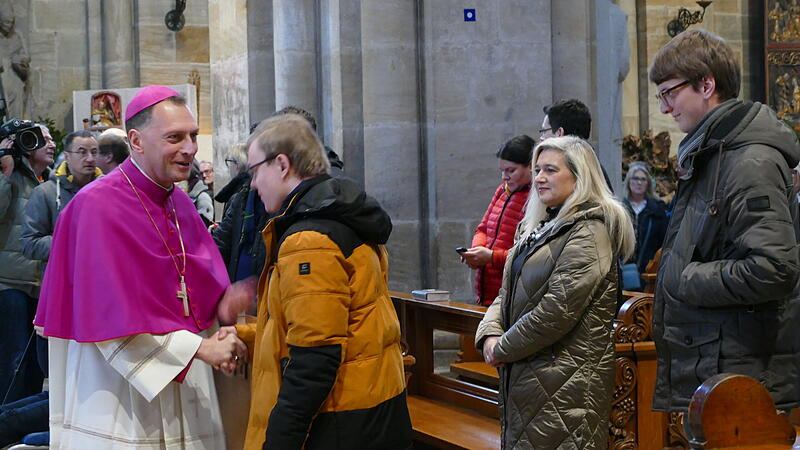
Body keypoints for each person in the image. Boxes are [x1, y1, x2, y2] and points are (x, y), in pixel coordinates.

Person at [33, 85, 248, 449]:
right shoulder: (96, 207)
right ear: (136, 140)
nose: (191, 149)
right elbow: (109, 316)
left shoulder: (179, 203)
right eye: (175, 137)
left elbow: (198, 291)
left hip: (185, 377)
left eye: (193, 136)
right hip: (117, 388)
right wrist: (200, 349)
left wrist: (224, 322)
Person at [217, 114, 412, 449]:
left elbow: (315, 358)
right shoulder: (337, 214)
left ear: (281, 164)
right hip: (369, 409)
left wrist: (279, 442)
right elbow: (324, 322)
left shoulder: (310, 239)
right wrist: (249, 335)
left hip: (339, 423)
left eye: (254, 170)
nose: (252, 184)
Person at [648, 29, 800, 414]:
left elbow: (774, 268)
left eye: (670, 93)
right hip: (718, 368)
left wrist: (684, 278)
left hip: (743, 374)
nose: (665, 108)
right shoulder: (714, 153)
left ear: (706, 85)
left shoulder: (749, 162)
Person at [475, 136, 634, 449]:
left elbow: (556, 311)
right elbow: (506, 292)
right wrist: (489, 335)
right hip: (531, 375)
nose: (539, 178)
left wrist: (502, 348)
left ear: (579, 175)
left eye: (550, 169)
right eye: (536, 170)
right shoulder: (540, 225)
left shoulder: (590, 230)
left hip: (566, 383)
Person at [0, 124, 54, 405]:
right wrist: (5, 171)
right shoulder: (7, 176)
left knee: (36, 363)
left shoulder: (48, 182)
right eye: (41, 139)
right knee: (14, 359)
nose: (51, 144)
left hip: (40, 284)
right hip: (9, 283)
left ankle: (22, 425)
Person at [461, 135, 533, 306]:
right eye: (502, 170)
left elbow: (531, 253)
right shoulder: (502, 191)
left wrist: (492, 257)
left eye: (511, 170)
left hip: (513, 298)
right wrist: (477, 250)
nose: (504, 177)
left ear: (530, 166)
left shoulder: (536, 199)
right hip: (487, 293)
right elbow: (483, 228)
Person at [21, 130, 101, 266]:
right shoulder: (46, 193)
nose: (90, 158)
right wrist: (75, 239)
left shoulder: (106, 190)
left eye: (94, 152)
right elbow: (30, 245)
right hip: (63, 275)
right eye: (82, 152)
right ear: (66, 156)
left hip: (99, 273)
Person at [621, 161, 668, 289]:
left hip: (649, 272)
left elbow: (663, 242)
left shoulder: (657, 211)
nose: (639, 182)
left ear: (648, 184)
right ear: (629, 181)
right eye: (635, 178)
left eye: (643, 179)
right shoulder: (620, 209)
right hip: (624, 271)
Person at [188, 159, 214, 227]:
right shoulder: (194, 193)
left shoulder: (203, 197)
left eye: (207, 171)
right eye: (201, 173)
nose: (204, 175)